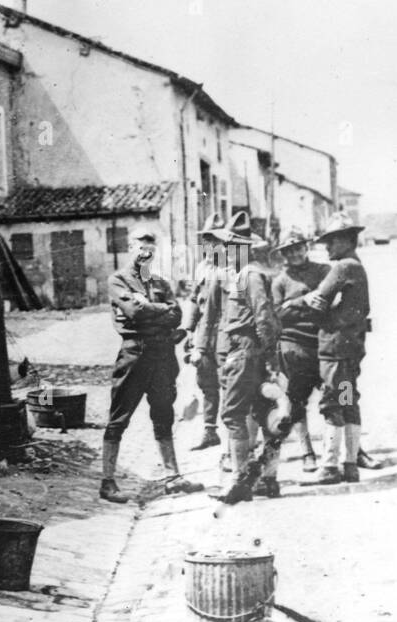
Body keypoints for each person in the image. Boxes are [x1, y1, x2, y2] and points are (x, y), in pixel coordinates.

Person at [100, 227, 205, 502]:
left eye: (150, 249)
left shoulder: (160, 282)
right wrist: (157, 310)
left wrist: (151, 308)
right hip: (135, 354)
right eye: (140, 247)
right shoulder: (118, 280)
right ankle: (107, 481)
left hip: (162, 353)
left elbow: (176, 315)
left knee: (163, 414)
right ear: (129, 248)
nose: (145, 253)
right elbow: (133, 312)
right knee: (119, 416)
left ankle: (173, 477)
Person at [283, 212, 370, 484]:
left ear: (345, 240)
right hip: (350, 348)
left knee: (333, 402)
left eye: (331, 241)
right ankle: (351, 464)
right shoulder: (356, 264)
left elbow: (319, 298)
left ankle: (330, 467)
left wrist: (292, 304)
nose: (327, 247)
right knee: (348, 400)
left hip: (334, 349)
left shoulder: (342, 267)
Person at [216, 212, 280, 498]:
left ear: (245, 248)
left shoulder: (250, 275)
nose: (227, 253)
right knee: (261, 412)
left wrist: (268, 357)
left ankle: (242, 482)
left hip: (245, 352)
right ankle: (268, 479)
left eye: (232, 247)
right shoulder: (243, 274)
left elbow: (264, 317)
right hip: (248, 351)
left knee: (232, 413)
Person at [269, 227, 326, 472]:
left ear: (307, 248)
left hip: (325, 344)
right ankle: (307, 452)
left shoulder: (323, 271)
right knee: (297, 400)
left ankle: (351, 449)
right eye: (289, 250)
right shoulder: (280, 281)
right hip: (295, 347)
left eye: (298, 248)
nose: (295, 254)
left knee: (343, 394)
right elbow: (276, 313)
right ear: (283, 254)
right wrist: (301, 301)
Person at [183, 213, 226, 451]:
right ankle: (210, 431)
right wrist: (189, 329)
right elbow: (193, 300)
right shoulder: (201, 268)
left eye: (216, 241)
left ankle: (237, 438)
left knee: (231, 382)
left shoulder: (232, 267)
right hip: (203, 333)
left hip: (224, 332)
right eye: (207, 240)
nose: (211, 245)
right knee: (206, 382)